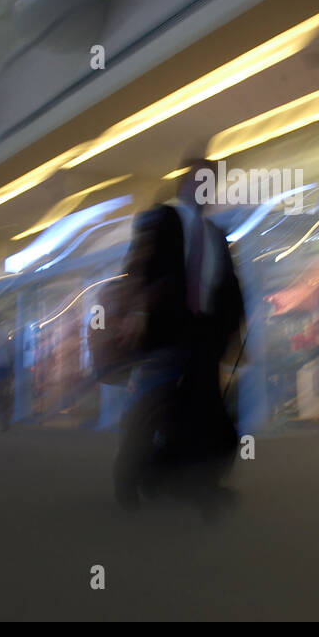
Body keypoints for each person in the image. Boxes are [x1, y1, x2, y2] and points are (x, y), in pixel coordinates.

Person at [112, 155, 244, 515]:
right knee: (153, 406)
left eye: (211, 183)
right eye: (199, 181)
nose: (205, 189)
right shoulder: (162, 217)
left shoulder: (216, 235)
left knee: (203, 411)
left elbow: (227, 286)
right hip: (164, 330)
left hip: (203, 336)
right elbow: (140, 264)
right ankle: (130, 475)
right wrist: (137, 310)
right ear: (184, 184)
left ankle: (197, 484)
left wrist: (234, 329)